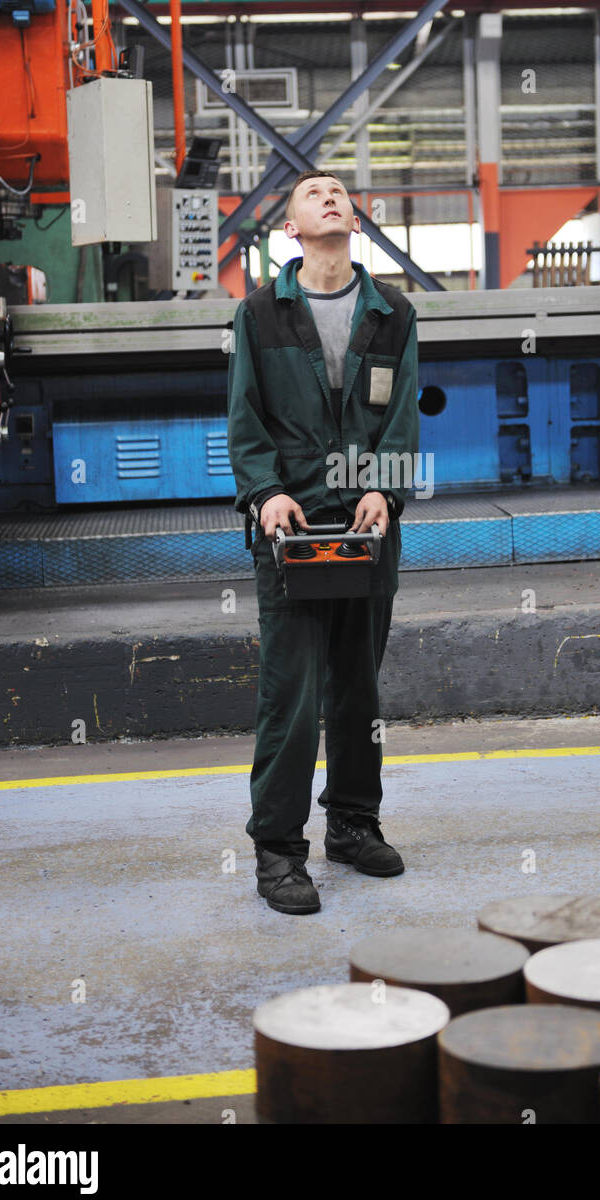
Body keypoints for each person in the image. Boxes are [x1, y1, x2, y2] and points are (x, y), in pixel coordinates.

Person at [227, 169, 419, 915]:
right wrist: (267, 492)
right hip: (293, 529)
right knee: (291, 694)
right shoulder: (261, 314)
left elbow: (402, 414)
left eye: (338, 190)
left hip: (368, 528)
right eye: (312, 193)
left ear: (354, 220)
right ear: (292, 230)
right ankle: (278, 850)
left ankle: (352, 823)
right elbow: (245, 417)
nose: (329, 196)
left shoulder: (393, 313)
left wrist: (385, 487)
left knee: (358, 690)